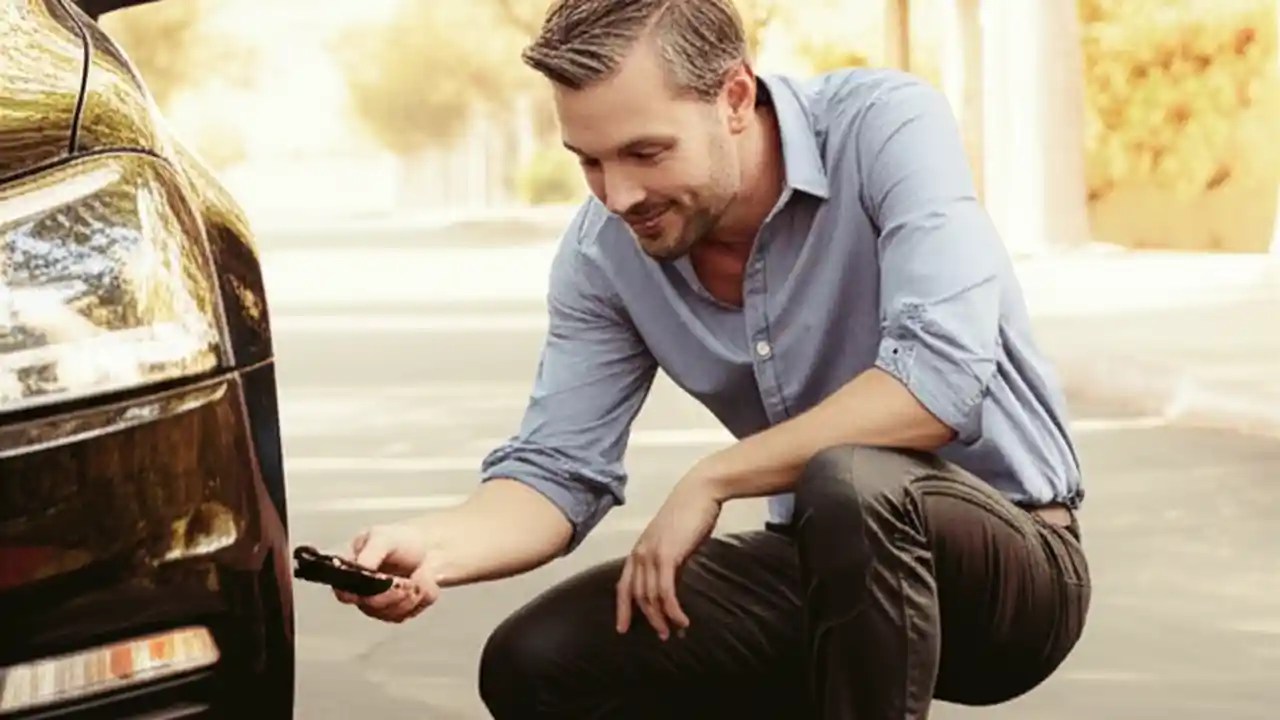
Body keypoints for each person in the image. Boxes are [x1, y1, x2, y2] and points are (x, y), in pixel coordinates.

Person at [333, 1, 1092, 717]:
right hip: (822, 574)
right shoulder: (604, 255)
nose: (619, 194)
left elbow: (937, 383)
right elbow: (557, 472)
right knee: (538, 660)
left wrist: (714, 477)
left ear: (734, 96)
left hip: (1009, 576)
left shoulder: (883, 126)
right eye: (589, 161)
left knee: (850, 478)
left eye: (645, 152)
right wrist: (432, 548)